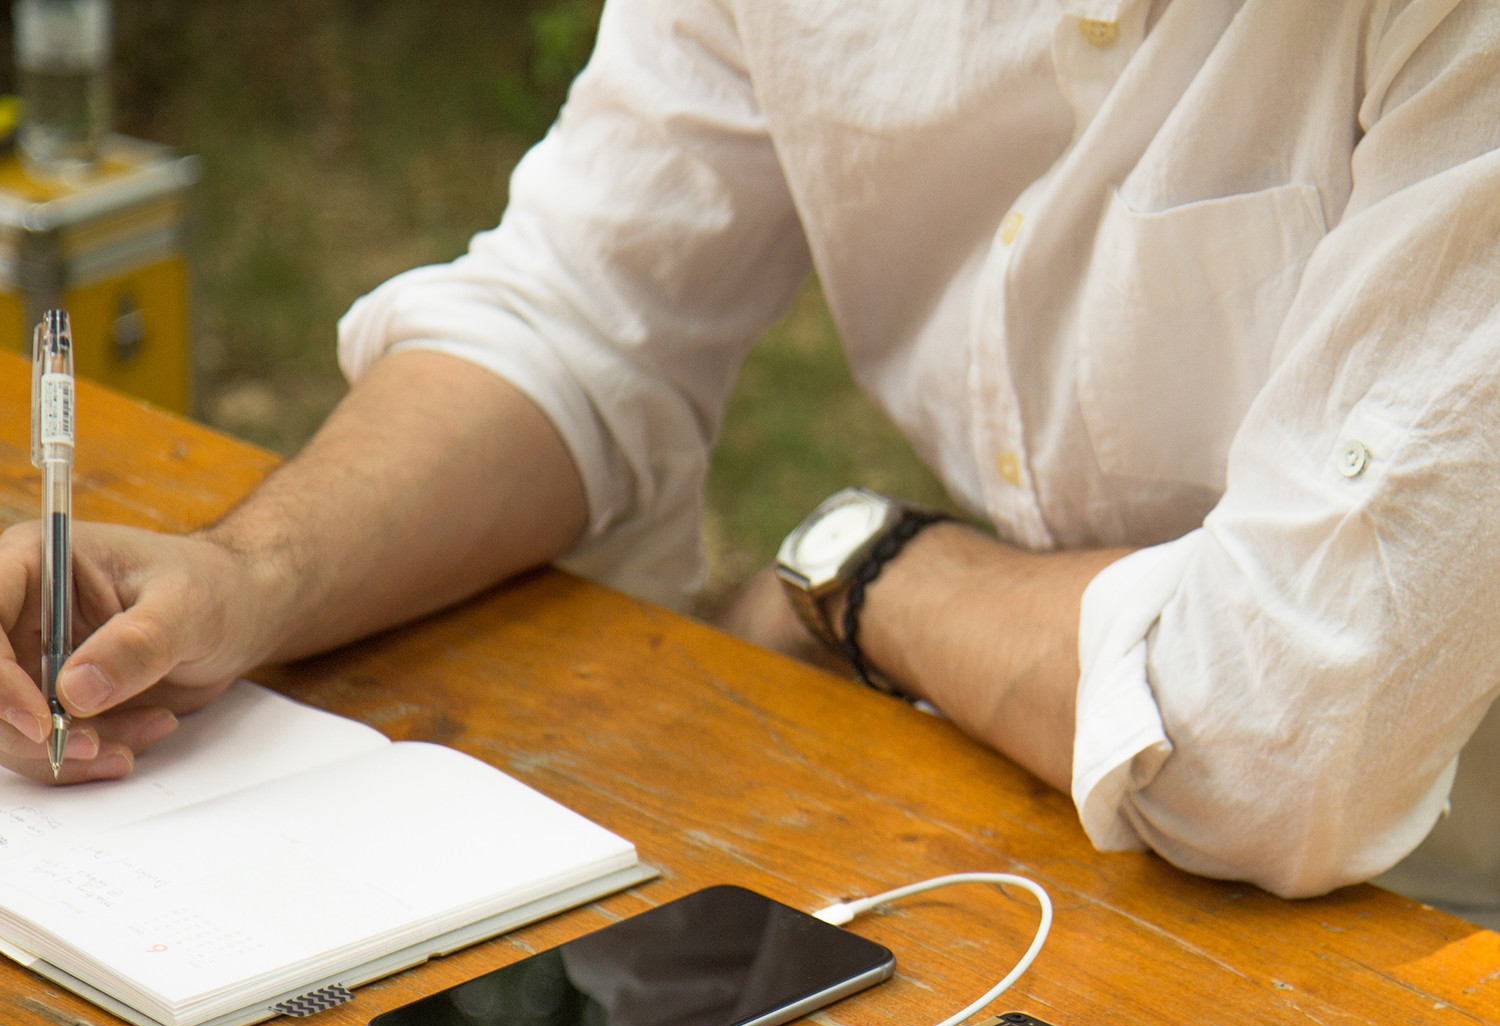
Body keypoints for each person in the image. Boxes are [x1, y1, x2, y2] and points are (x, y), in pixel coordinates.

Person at [1, 0, 1498, 924]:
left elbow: (1287, 729)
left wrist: (871, 574)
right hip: (1036, 805)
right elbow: (590, 315)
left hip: (1445, 905)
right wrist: (240, 578)